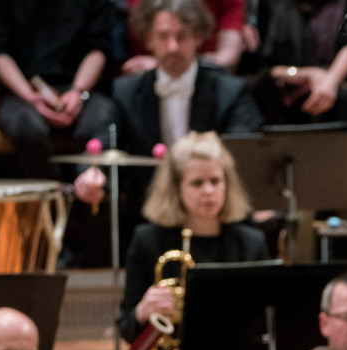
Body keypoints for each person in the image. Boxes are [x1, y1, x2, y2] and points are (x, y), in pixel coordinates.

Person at [119, 131, 271, 350]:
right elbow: (126, 328)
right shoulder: (148, 241)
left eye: (216, 181)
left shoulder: (250, 243)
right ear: (176, 189)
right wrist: (142, 311)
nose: (209, 191)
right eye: (197, 183)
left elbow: (261, 325)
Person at [73, 0, 263, 217]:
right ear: (148, 39)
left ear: (198, 37)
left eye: (181, 36)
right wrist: (90, 174)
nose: (173, 47)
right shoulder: (126, 92)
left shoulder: (230, 92)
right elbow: (102, 144)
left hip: (214, 213)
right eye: (163, 36)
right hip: (149, 215)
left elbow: (244, 153)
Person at [0, 0, 117, 179]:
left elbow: (98, 48)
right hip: (21, 90)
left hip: (81, 87)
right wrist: (29, 96)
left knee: (102, 119)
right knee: (26, 128)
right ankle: (55, 193)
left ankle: (86, 188)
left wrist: (77, 92)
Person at [248, 0, 347, 125]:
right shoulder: (273, 6)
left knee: (341, 100)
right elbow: (265, 69)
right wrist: (310, 74)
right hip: (284, 83)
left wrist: (330, 82)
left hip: (330, 82)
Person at [123, 0, 248, 74]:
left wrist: (164, 63)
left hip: (204, 78)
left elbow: (228, 57)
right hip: (146, 79)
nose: (173, 47)